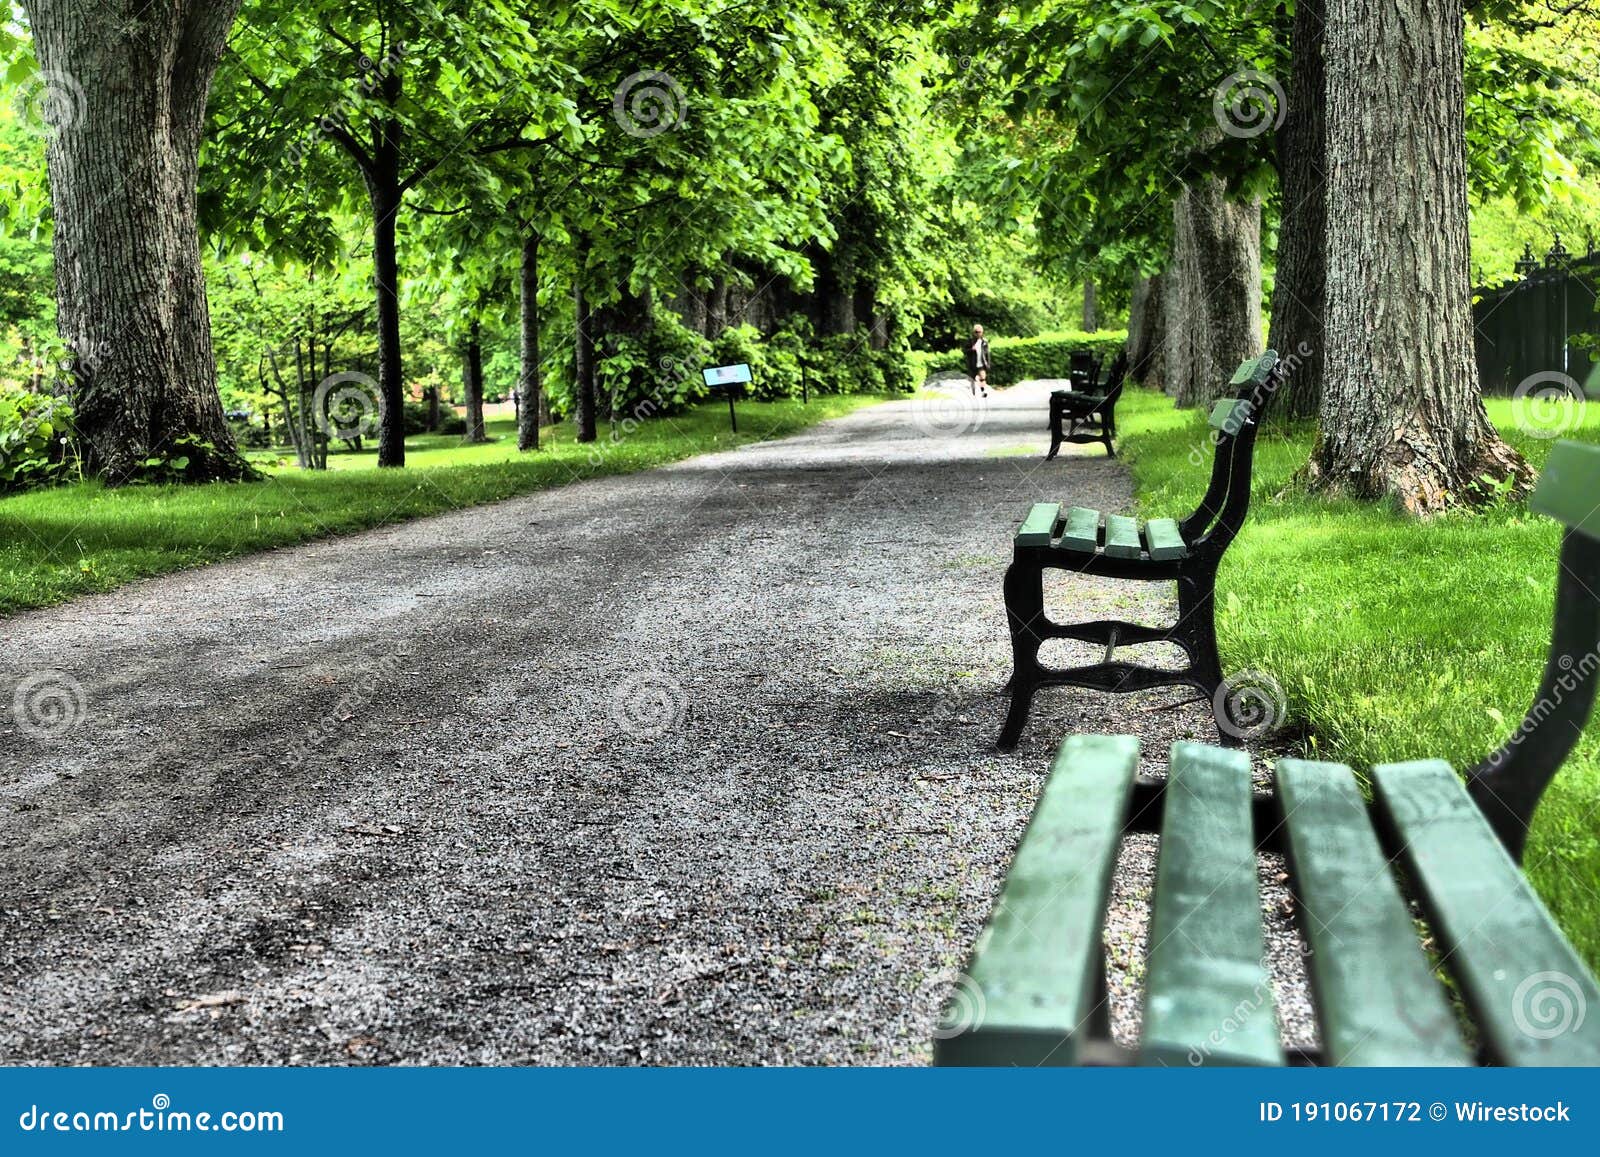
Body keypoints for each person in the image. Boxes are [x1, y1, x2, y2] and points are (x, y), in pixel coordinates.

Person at [964, 324, 991, 397]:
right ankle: (973, 394)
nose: (978, 334)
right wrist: (971, 349)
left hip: (981, 363)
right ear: (974, 332)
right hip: (972, 363)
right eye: (976, 332)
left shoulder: (984, 342)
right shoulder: (970, 341)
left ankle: (983, 391)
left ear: (982, 332)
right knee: (972, 379)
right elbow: (964, 351)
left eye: (980, 332)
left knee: (983, 377)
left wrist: (988, 363)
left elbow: (987, 354)